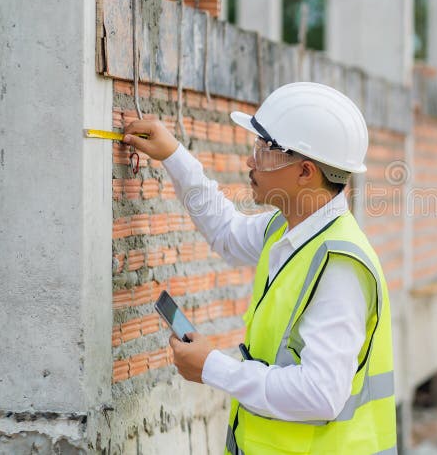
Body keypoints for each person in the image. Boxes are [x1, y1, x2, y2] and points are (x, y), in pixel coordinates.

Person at [123, 82, 396, 454]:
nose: (251, 161)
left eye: (265, 151)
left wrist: (213, 368)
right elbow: (227, 232)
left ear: (305, 172)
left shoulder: (339, 266)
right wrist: (173, 154)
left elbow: (320, 395)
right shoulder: (287, 230)